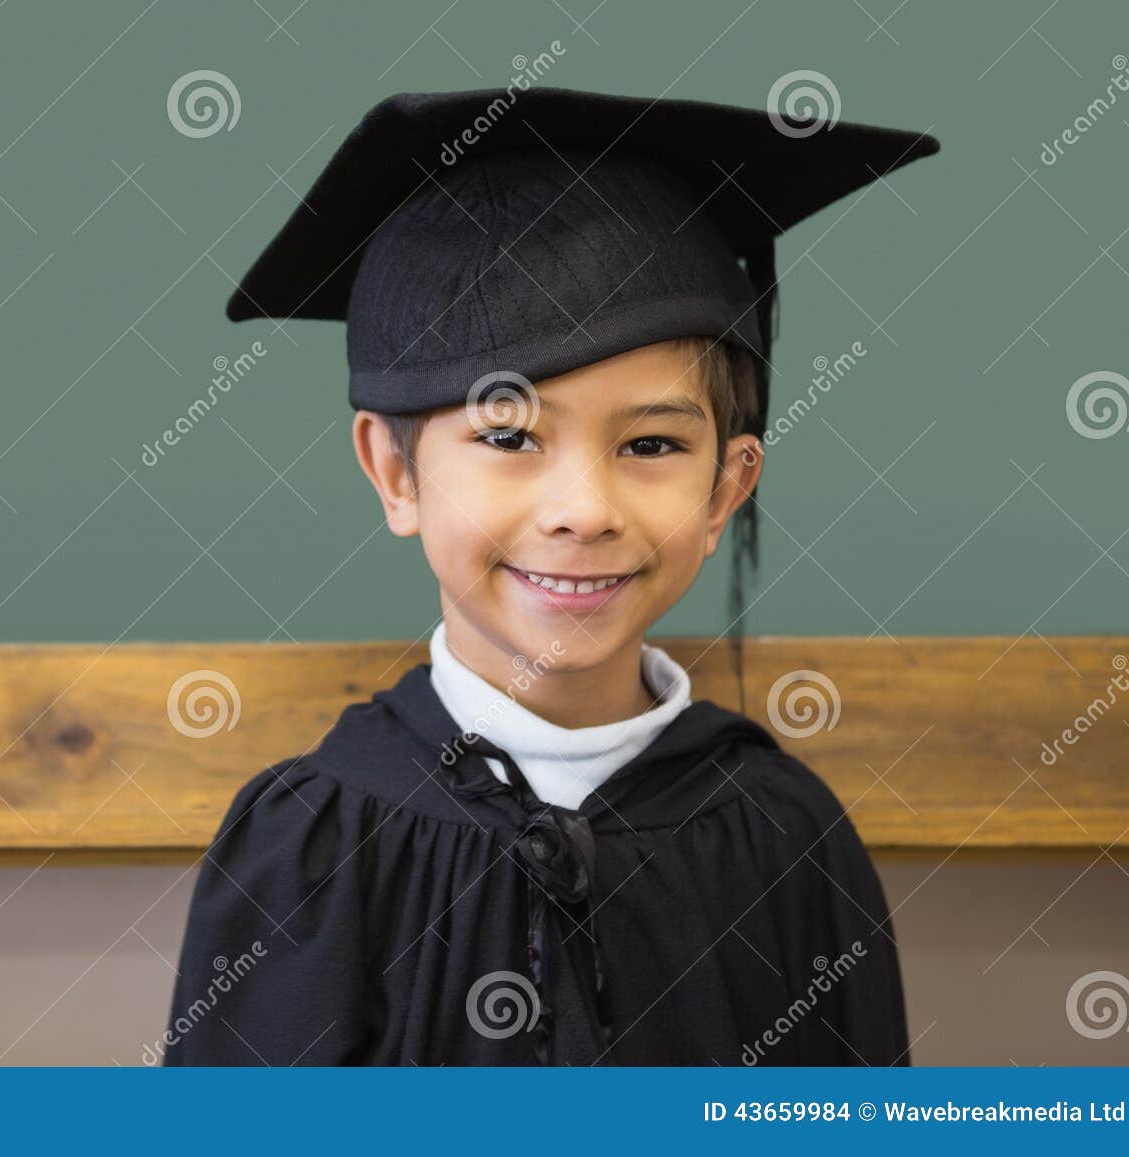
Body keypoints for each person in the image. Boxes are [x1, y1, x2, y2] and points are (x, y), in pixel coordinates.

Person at [160, 87, 941, 1065]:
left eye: (651, 442)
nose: (584, 507)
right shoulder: (312, 845)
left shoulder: (784, 838)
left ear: (723, 489)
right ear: (395, 473)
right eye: (508, 435)